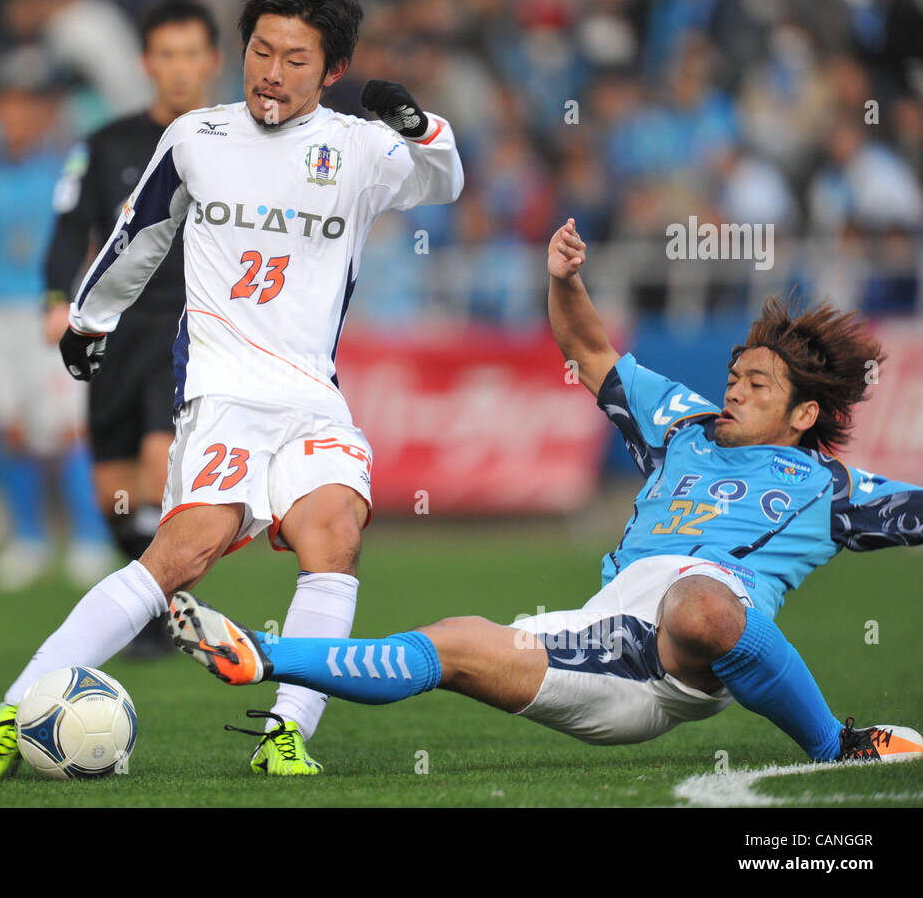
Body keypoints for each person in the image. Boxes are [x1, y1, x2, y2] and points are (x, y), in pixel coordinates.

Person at [0, 0, 464, 782]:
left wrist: (419, 125)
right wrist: (90, 317)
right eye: (261, 50)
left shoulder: (359, 149)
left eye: (296, 60)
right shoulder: (196, 137)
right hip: (222, 395)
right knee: (180, 557)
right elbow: (139, 235)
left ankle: (285, 732)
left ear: (331, 69)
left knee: (334, 532)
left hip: (310, 399)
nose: (272, 73)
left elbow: (446, 181)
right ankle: (12, 713)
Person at [164, 218, 923, 767]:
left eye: (757, 384)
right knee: (455, 641)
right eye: (734, 375)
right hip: (613, 645)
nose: (733, 389)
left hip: (695, 635)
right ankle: (258, 654)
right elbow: (588, 348)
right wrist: (564, 282)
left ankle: (835, 744)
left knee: (703, 599)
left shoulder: (831, 487)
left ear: (804, 414)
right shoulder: (679, 426)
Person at [42, 0, 222, 656]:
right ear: (147, 62)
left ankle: (151, 613)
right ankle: (164, 599)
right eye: (167, 55)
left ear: (213, 61)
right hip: (117, 331)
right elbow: (68, 229)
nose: (180, 70)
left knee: (158, 464)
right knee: (113, 493)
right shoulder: (104, 144)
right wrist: (57, 297)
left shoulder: (236, 143)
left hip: (191, 331)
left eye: (192, 55)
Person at [0, 54, 115, 592]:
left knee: (69, 428)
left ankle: (89, 540)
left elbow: (88, 240)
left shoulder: (64, 172)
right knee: (12, 429)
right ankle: (29, 541)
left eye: (26, 109)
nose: (16, 119)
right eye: (7, 109)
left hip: (52, 309)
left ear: (42, 115)